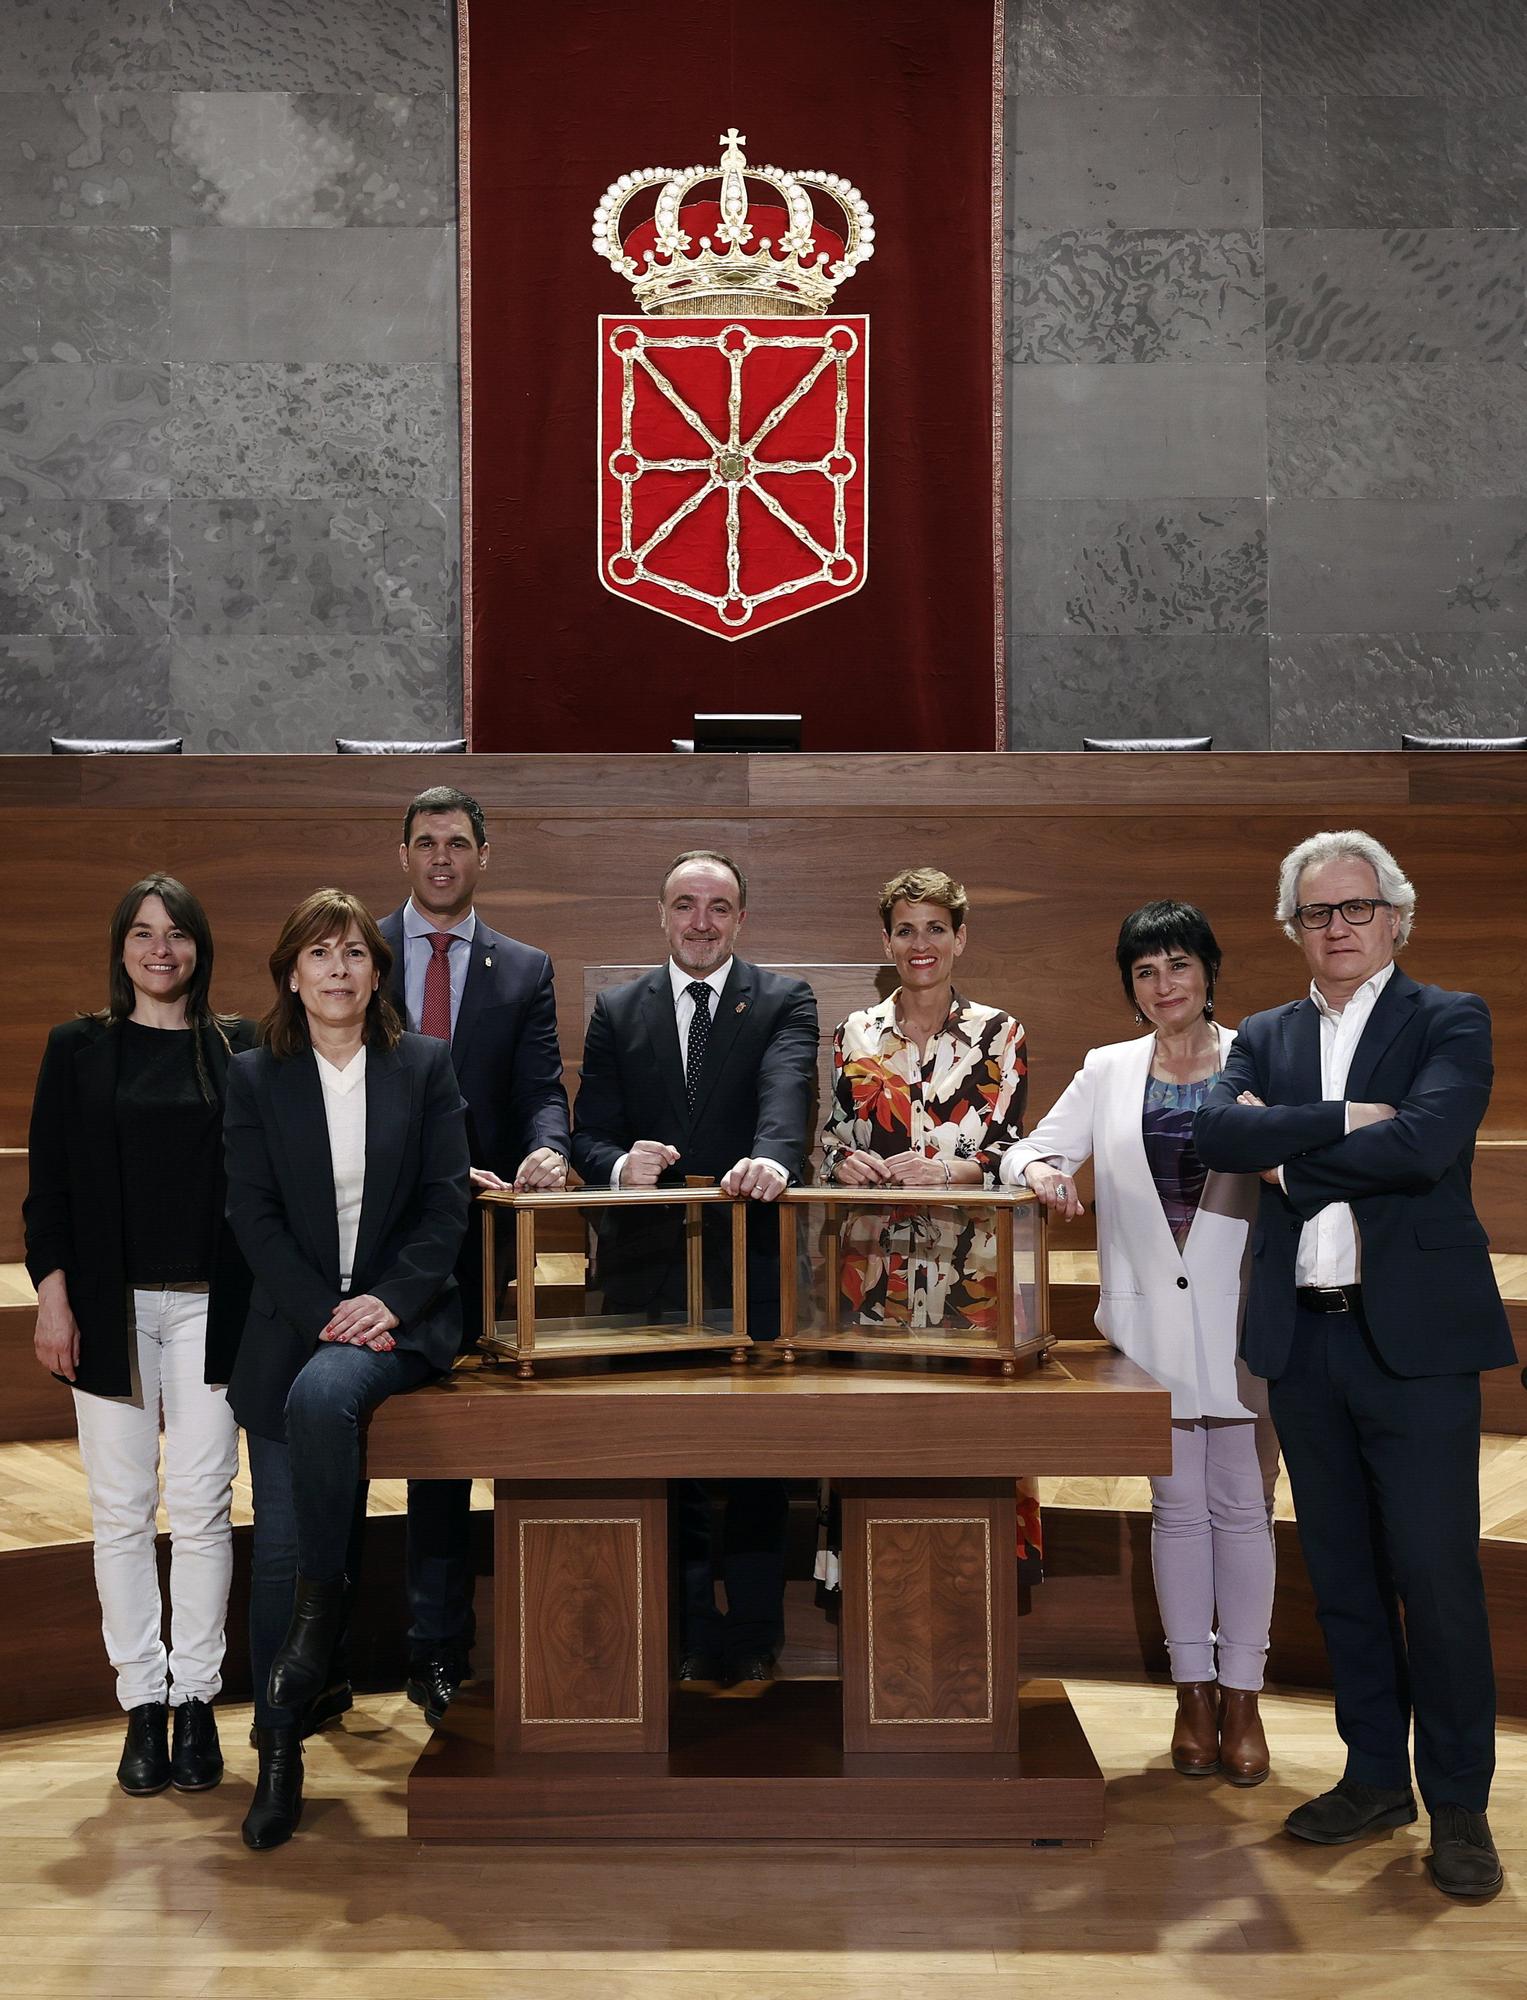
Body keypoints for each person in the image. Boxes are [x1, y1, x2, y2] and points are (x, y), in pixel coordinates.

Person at [1196, 830, 1513, 1898]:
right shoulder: (1270, 1033)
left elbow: (1425, 1143)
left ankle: (1461, 1804)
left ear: (1396, 917)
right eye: (1317, 912)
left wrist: (1284, 1146)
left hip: (1414, 1344)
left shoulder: (1449, 1016)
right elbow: (1216, 1134)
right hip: (1305, 1338)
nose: (1338, 927)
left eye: (1357, 908)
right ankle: (1377, 1772)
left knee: (1437, 1576)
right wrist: (1333, 1124)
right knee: (1342, 1576)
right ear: (1293, 928)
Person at [1001, 901, 1276, 1783]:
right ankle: (1191, 1692)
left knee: (1241, 1510)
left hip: (1242, 1322)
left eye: (1178, 967)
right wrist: (1044, 1172)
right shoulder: (1107, 1068)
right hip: (1148, 1328)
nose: (1163, 987)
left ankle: (1243, 1696)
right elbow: (1023, 1154)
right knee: (1175, 1510)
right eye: (1145, 972)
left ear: (1208, 971)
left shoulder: (1260, 1056)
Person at [224, 889, 469, 1851]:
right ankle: (277, 1751)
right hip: (291, 1324)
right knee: (278, 1544)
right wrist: (326, 1310)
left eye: (355, 954)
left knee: (328, 1393)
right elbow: (252, 1216)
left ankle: (324, 1621)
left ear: (378, 971)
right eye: (318, 955)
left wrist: (389, 1304)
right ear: (292, 974)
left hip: (396, 1326)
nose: (337, 970)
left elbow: (447, 1209)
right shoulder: (255, 1076)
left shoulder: (424, 1067)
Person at [24, 875, 255, 1799]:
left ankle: (196, 1700)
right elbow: (49, 1193)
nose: (161, 950)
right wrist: (53, 1300)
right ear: (120, 949)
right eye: (143, 936)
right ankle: (141, 1705)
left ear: (200, 946)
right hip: (110, 1310)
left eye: (177, 935)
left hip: (210, 1308)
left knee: (199, 1506)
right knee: (122, 1512)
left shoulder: (238, 1048)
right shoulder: (77, 1047)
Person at [571, 849, 817, 1689]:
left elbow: (787, 1099)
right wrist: (616, 1167)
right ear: (662, 914)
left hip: (750, 1262)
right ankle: (675, 1628)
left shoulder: (785, 999)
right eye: (685, 905)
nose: (701, 922)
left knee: (757, 1463)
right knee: (658, 1459)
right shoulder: (616, 1008)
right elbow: (587, 1132)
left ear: (740, 919)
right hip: (643, 1274)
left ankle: (751, 1634)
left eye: (718, 907)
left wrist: (774, 1160)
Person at [381, 784, 571, 1727]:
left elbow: (539, 1087)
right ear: (404, 853)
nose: (442, 858)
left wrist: (549, 1147)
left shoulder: (523, 967)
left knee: (452, 1452)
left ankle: (439, 1649)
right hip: (367, 1243)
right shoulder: (354, 953)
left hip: (478, 1241)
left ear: (482, 855)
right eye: (426, 842)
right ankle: (343, 1648)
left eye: (458, 843)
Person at [819, 865, 1040, 1580]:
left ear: (960, 938)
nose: (921, 944)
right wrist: (839, 1162)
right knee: (871, 1437)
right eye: (906, 930)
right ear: (886, 940)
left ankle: (971, 1590)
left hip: (967, 1271)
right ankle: (876, 1591)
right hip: (869, 1274)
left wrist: (945, 1170)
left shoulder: (999, 1034)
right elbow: (827, 1138)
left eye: (935, 930)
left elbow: (1009, 1148)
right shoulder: (853, 1032)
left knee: (972, 1439)